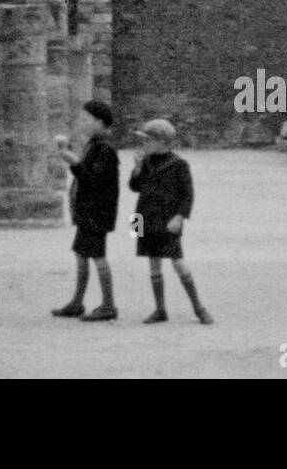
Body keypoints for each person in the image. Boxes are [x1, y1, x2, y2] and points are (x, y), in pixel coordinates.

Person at [129, 119, 213, 325]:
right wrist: (137, 168)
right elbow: (135, 187)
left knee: (178, 262)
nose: (144, 145)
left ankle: (198, 307)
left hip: (168, 219)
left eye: (148, 141)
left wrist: (179, 217)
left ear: (163, 142)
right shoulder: (146, 162)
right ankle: (160, 309)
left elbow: (187, 195)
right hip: (143, 217)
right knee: (152, 261)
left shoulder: (179, 165)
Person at [51, 101, 120, 321]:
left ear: (99, 123)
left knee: (98, 257)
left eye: (85, 120)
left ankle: (109, 304)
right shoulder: (94, 144)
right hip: (88, 211)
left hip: (97, 212)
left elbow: (92, 180)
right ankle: (77, 302)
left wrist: (71, 160)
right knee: (81, 255)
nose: (81, 123)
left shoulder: (105, 149)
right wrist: (73, 159)